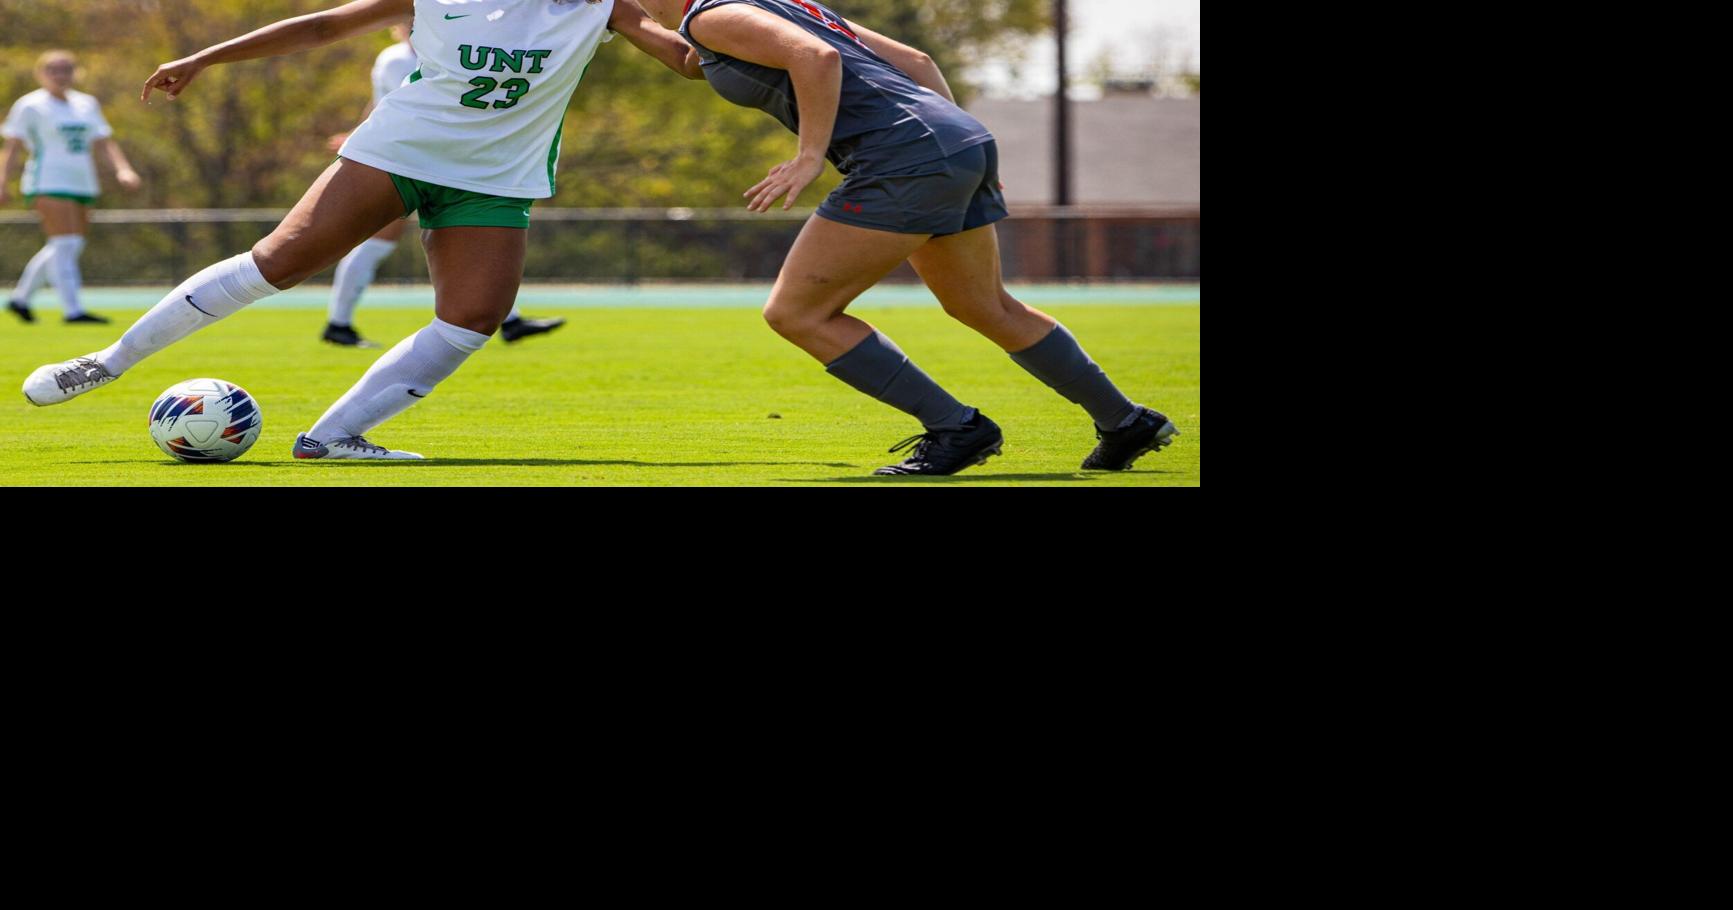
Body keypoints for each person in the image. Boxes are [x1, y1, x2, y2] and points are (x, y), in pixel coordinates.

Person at [22, 0, 695, 464]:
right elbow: (324, 26)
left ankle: (333, 436)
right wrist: (205, 57)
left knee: (472, 319)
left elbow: (686, 60)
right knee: (279, 262)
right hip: (399, 152)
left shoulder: (604, 7)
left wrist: (744, 28)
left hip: (497, 177)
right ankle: (107, 362)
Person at [639, 0, 1177, 475]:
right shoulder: (771, 6)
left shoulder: (711, 16)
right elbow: (917, 62)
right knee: (984, 305)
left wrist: (809, 156)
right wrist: (956, 146)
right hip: (954, 139)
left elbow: (816, 58)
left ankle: (956, 428)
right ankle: (1125, 421)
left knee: (798, 313)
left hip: (901, 157)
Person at [321, 18, 566, 348]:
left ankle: (509, 319)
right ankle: (338, 323)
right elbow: (401, 104)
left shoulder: (444, 48)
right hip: (406, 157)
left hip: (444, 157)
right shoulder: (397, 59)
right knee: (376, 243)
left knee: (472, 237)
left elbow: (381, 104)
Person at [2, 50, 143, 326]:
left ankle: (20, 298)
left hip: (81, 181)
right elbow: (12, 146)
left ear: (75, 73)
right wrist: (2, 181)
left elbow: (104, 141)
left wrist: (123, 169)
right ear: (41, 74)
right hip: (47, 180)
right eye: (53, 70)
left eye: (66, 69)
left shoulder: (86, 104)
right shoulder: (30, 105)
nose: (60, 75)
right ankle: (73, 310)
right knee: (65, 243)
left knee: (68, 245)